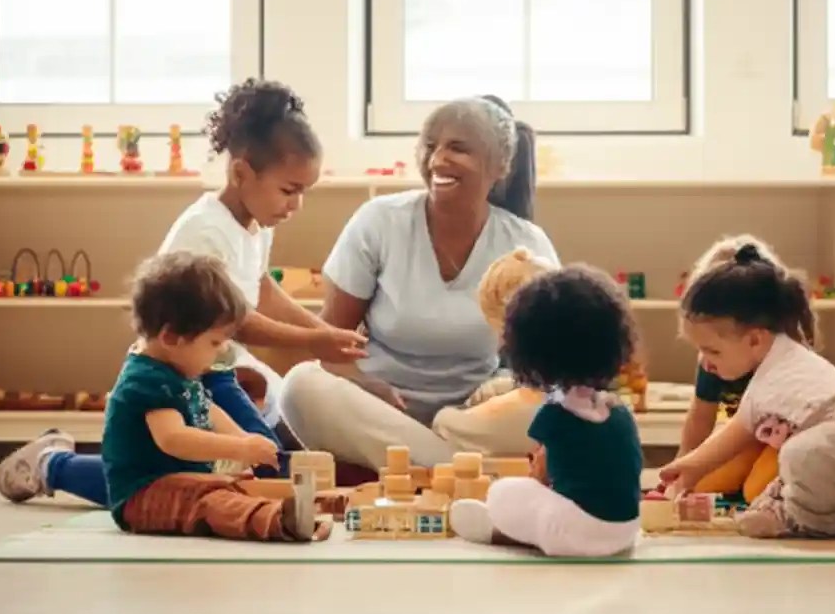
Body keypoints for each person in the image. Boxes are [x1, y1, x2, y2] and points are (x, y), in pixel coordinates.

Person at [0, 78, 366, 507]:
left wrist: (322, 331)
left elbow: (261, 289)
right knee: (191, 476)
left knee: (239, 467)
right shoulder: (205, 230)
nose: (296, 205)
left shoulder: (255, 225)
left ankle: (55, 465)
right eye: (289, 190)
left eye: (304, 192)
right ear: (241, 172)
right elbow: (238, 320)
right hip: (185, 370)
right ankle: (50, 465)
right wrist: (316, 341)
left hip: (216, 368)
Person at [279, 96, 558, 469]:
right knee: (301, 385)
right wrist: (366, 386)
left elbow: (550, 363)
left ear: (500, 166)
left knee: (555, 403)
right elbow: (332, 345)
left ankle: (426, 458)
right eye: (430, 146)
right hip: (379, 407)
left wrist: (500, 391)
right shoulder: (379, 221)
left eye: (457, 148)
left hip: (472, 419)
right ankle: (456, 466)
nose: (438, 159)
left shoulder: (526, 244)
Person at [658, 239, 835, 539]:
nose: (706, 362)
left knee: (797, 459)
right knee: (798, 472)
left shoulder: (772, 375)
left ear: (754, 340)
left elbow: (733, 436)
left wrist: (690, 467)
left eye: (713, 351)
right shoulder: (787, 354)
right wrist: (688, 468)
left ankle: (799, 520)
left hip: (833, 445)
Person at [102, 252, 331, 542]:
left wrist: (244, 439)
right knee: (209, 501)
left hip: (181, 484)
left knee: (231, 487)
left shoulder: (175, 366)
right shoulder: (147, 379)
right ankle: (275, 521)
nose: (222, 350)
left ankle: (285, 511)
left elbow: (205, 407)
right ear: (171, 337)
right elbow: (174, 439)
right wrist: (239, 448)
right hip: (145, 495)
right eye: (214, 341)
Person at [447, 265, 643, 557]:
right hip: (626, 533)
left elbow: (541, 475)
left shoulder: (555, 413)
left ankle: (499, 532)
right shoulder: (619, 411)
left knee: (503, 492)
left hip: (574, 533)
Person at [673, 236, 786, 503]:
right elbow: (701, 418)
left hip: (784, 443)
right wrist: (684, 462)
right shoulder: (714, 360)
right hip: (745, 438)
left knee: (757, 490)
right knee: (701, 483)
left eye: (712, 350)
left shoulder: (779, 362)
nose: (706, 359)